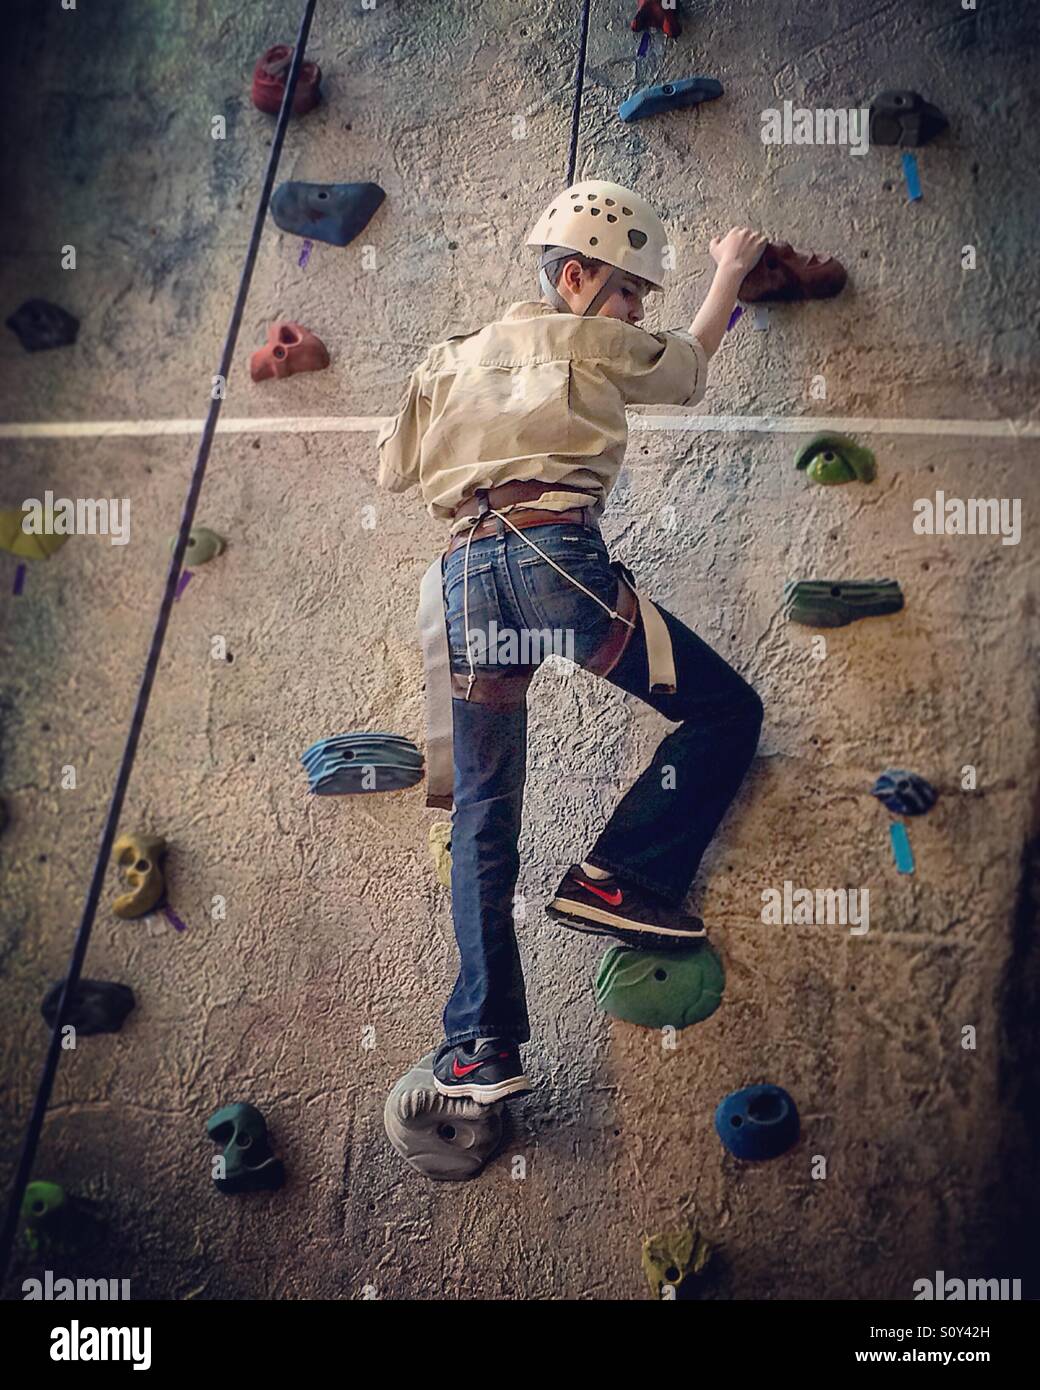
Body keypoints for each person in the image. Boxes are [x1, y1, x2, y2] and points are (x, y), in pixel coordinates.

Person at [377, 181, 766, 1105]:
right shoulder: (589, 334)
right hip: (555, 560)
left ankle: (480, 1050)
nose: (637, 311)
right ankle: (618, 879)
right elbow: (690, 364)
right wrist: (730, 273)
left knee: (482, 815)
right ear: (579, 276)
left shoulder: (447, 357)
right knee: (723, 711)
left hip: (464, 584)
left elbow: (391, 467)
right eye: (630, 290)